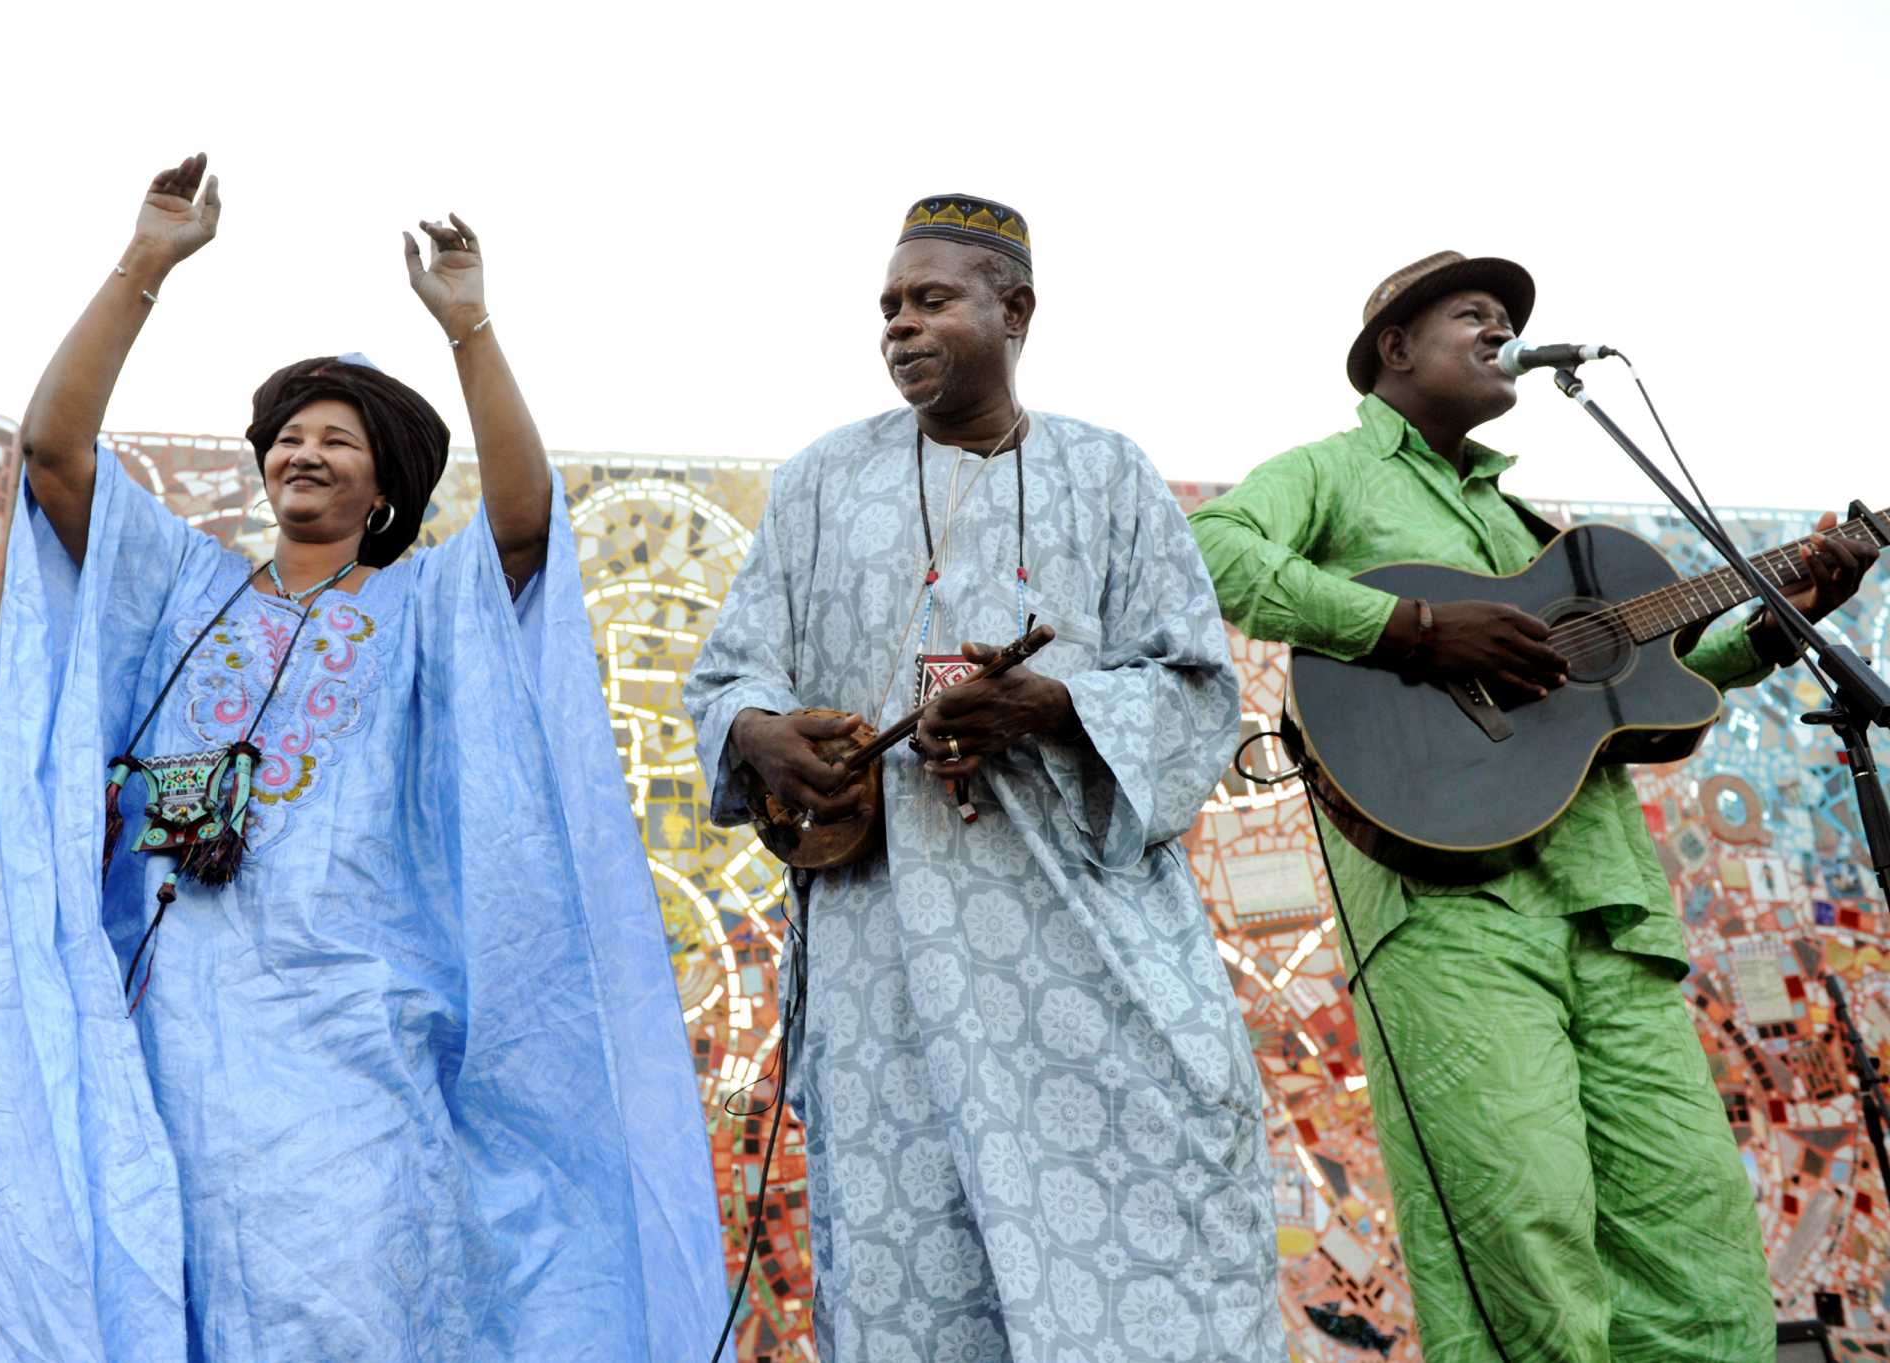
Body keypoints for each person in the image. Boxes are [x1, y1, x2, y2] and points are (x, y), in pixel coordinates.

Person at [0, 153, 724, 1362]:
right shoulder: (182, 588)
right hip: (177, 1039)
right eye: (288, 435)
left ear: (385, 484)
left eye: (337, 438)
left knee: (353, 1310)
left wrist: (469, 328)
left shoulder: (424, 606)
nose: (304, 452)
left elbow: (523, 524)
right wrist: (147, 262)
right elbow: (55, 455)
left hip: (357, 1037)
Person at [1190, 250, 1882, 1362]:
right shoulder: (1328, 472)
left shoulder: (1535, 537)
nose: (1500, 331)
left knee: (1698, 1239)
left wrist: (1775, 617)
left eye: (1508, 319)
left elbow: (1652, 690)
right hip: (1445, 911)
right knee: (1524, 1232)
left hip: (1608, 907)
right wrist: (1414, 628)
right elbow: (1210, 550)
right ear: (1394, 349)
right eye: (1473, 314)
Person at [684, 196, 1285, 1363]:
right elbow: (728, 673)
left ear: (1013, 312)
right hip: (883, 960)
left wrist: (1050, 703)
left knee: (1148, 1251)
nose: (899, 326)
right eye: (887, 307)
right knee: (912, 1279)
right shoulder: (820, 481)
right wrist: (759, 733)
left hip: (1080, 949)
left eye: (930, 300)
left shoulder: (1108, 474)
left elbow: (1196, 689)